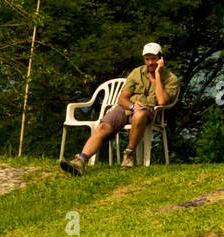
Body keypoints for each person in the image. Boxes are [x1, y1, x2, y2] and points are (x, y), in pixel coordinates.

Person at [60, 42, 179, 174]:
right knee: (103, 126)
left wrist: (157, 75)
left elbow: (162, 101)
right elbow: (122, 99)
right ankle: (80, 161)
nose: (150, 62)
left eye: (153, 59)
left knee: (139, 114)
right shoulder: (136, 72)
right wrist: (132, 106)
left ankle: (129, 155)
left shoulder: (170, 78)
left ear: (161, 58)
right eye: (147, 59)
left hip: (149, 111)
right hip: (128, 107)